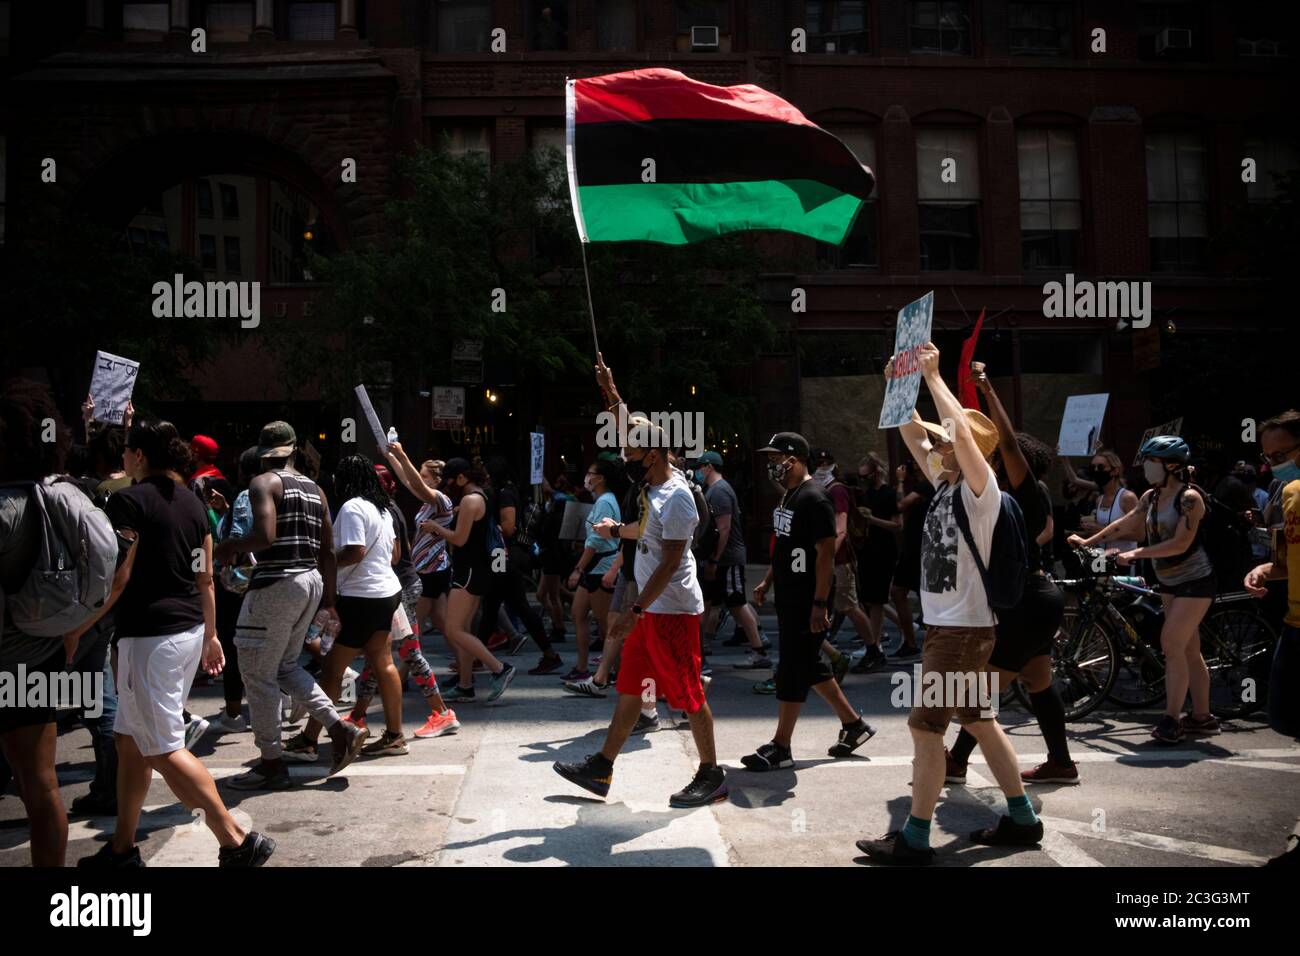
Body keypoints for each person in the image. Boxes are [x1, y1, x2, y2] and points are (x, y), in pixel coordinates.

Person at [859, 342, 1044, 865]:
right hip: (953, 629)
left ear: (967, 453)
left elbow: (959, 434)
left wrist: (937, 377)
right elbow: (913, 430)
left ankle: (915, 839)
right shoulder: (945, 485)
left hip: (961, 633)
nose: (937, 447)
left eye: (947, 443)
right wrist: (900, 381)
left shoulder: (981, 494)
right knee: (981, 721)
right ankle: (1024, 819)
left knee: (924, 728)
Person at [81, 419, 274, 867]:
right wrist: (209, 635)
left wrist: (76, 628)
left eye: (128, 450)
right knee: (130, 741)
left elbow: (119, 574)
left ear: (140, 456)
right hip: (183, 633)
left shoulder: (128, 502)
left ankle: (236, 841)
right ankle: (122, 849)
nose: (123, 457)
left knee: (162, 748)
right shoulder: (193, 503)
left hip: (149, 640)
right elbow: (204, 577)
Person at [552, 354, 728, 807]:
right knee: (632, 688)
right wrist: (610, 391)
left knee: (688, 692)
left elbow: (670, 561)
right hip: (650, 609)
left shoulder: (678, 498)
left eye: (632, 456)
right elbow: (644, 527)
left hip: (669, 609)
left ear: (652, 456)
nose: (626, 461)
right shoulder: (651, 488)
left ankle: (711, 773)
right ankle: (602, 768)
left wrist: (633, 611)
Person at [1, 380, 135, 864]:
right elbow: (118, 563)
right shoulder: (61, 495)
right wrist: (75, 630)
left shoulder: (6, 508)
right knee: (42, 788)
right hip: (42, 662)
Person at [215, 424, 368, 789]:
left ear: (264, 452)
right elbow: (328, 553)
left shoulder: (263, 483)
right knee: (284, 667)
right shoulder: (317, 491)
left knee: (257, 673)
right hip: (309, 583)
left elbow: (264, 538)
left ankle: (271, 762)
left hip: (275, 586)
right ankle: (340, 727)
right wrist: (328, 602)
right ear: (294, 450)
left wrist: (230, 548)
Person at [945, 363, 1075, 785]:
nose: (993, 461)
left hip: (1027, 602)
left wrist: (987, 390)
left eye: (998, 457)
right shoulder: (1021, 498)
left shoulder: (1027, 490)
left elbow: (1008, 445)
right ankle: (1061, 762)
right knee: (1038, 679)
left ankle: (957, 761)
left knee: (981, 690)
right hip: (1040, 599)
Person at [1069, 435, 1218, 744]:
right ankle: (1203, 718)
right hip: (1168, 579)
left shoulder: (1190, 498)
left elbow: (1181, 543)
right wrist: (1088, 542)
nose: (1147, 468)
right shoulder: (1151, 496)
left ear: (1172, 466)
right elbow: (1126, 523)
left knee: (1171, 645)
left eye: (1153, 462)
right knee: (1189, 649)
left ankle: (1171, 719)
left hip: (1196, 580)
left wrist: (1136, 554)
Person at [741, 432, 876, 771]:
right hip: (789, 595)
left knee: (790, 669)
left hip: (806, 599)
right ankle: (854, 725)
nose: (772, 465)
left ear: (796, 459)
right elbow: (787, 547)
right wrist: (769, 579)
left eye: (777, 459)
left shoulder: (815, 499)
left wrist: (819, 604)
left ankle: (781, 746)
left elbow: (825, 555)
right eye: (770, 460)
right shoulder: (789, 497)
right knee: (810, 665)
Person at [290, 455, 409, 760]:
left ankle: (308, 740)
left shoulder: (353, 506)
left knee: (331, 670)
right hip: (387, 593)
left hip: (360, 597)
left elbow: (354, 552)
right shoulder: (382, 509)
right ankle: (395, 736)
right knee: (383, 662)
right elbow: (395, 555)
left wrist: (325, 562)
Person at [349, 463, 460, 740]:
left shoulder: (436, 502)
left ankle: (442, 712)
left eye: (424, 476)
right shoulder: (389, 507)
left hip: (402, 587)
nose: (417, 482)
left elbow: (396, 555)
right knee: (379, 652)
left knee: (408, 651)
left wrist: (398, 453)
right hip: (400, 586)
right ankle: (358, 715)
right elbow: (411, 483)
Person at [1244, 409, 1300, 865]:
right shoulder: (1289, 494)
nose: (1275, 464)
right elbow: (1284, 559)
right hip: (1294, 623)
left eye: (1283, 454)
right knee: (1285, 718)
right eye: (1268, 457)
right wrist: (1266, 568)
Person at [423, 458, 518, 703]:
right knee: (462, 629)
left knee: (454, 629)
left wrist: (435, 527)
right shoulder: (480, 497)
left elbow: (459, 539)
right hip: (476, 571)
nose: (449, 486)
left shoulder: (469, 500)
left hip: (470, 572)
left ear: (463, 478)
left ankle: (500, 668)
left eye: (451, 481)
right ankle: (465, 685)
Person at [474, 457, 563, 673]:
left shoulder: (504, 493)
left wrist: (486, 526)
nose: (485, 477)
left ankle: (549, 654)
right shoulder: (508, 490)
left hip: (503, 554)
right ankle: (475, 657)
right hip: (502, 554)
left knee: (508, 606)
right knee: (493, 605)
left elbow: (508, 527)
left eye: (487, 472)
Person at [695, 450, 770, 669]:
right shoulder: (714, 490)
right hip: (719, 559)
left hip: (728, 559)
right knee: (707, 603)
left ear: (709, 466)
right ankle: (701, 646)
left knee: (736, 602)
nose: (699, 471)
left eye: (701, 467)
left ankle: (759, 650)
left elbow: (724, 528)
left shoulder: (719, 492)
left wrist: (715, 560)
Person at [204, 444, 260, 734]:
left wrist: (216, 560)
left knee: (231, 645)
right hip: (267, 582)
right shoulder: (274, 492)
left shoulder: (244, 496)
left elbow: (237, 538)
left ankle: (234, 712)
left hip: (237, 585)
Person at [563, 458, 624, 681]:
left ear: (600, 478)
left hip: (601, 566)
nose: (587, 477)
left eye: (591, 473)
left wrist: (578, 568)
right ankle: (582, 667)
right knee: (578, 613)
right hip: (594, 567)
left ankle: (615, 671)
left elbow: (596, 541)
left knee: (605, 622)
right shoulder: (602, 500)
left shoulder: (605, 502)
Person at [855, 453, 902, 664]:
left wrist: (871, 519)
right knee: (869, 598)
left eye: (866, 475)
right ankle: (875, 641)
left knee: (877, 600)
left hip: (884, 550)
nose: (863, 480)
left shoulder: (888, 494)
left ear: (877, 472)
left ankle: (875, 644)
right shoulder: (866, 494)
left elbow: (897, 525)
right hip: (866, 549)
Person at [889, 458, 932, 659]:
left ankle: (921, 643)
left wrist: (899, 481)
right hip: (912, 547)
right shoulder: (921, 485)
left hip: (919, 549)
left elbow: (900, 505)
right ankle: (911, 641)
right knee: (899, 592)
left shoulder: (927, 485)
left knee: (924, 596)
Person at [1066, 448, 1139, 555]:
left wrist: (1103, 530)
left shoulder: (1127, 498)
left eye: (1100, 467)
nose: (1096, 471)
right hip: (1102, 561)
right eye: (1092, 468)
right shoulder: (1099, 499)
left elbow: (1139, 535)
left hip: (1124, 560)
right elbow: (1098, 534)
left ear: (1115, 470)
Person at [535, 474, 577, 643]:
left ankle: (558, 627)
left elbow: (552, 493)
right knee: (541, 594)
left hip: (553, 556)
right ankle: (560, 619)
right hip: (549, 556)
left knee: (553, 595)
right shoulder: (552, 512)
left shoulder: (558, 512)